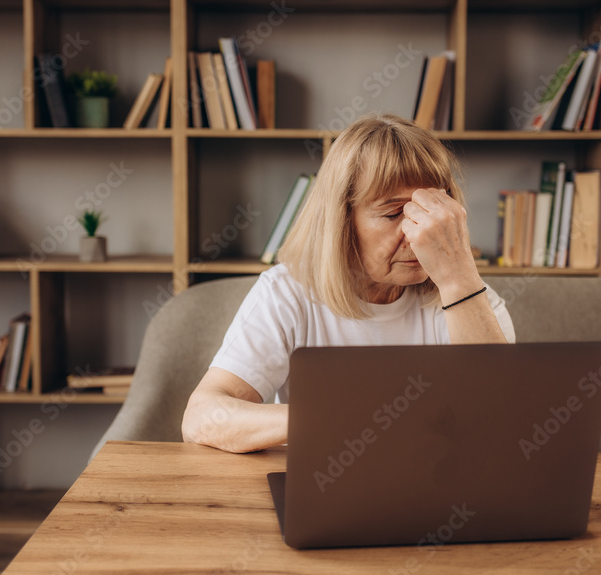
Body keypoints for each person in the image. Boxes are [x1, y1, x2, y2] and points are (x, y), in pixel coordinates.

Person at [181, 114, 515, 453]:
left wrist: (458, 277)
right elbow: (201, 419)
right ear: (342, 221)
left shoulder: (468, 296)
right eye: (391, 213)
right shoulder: (287, 293)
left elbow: (502, 423)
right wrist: (331, 418)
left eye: (430, 211)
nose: (419, 233)